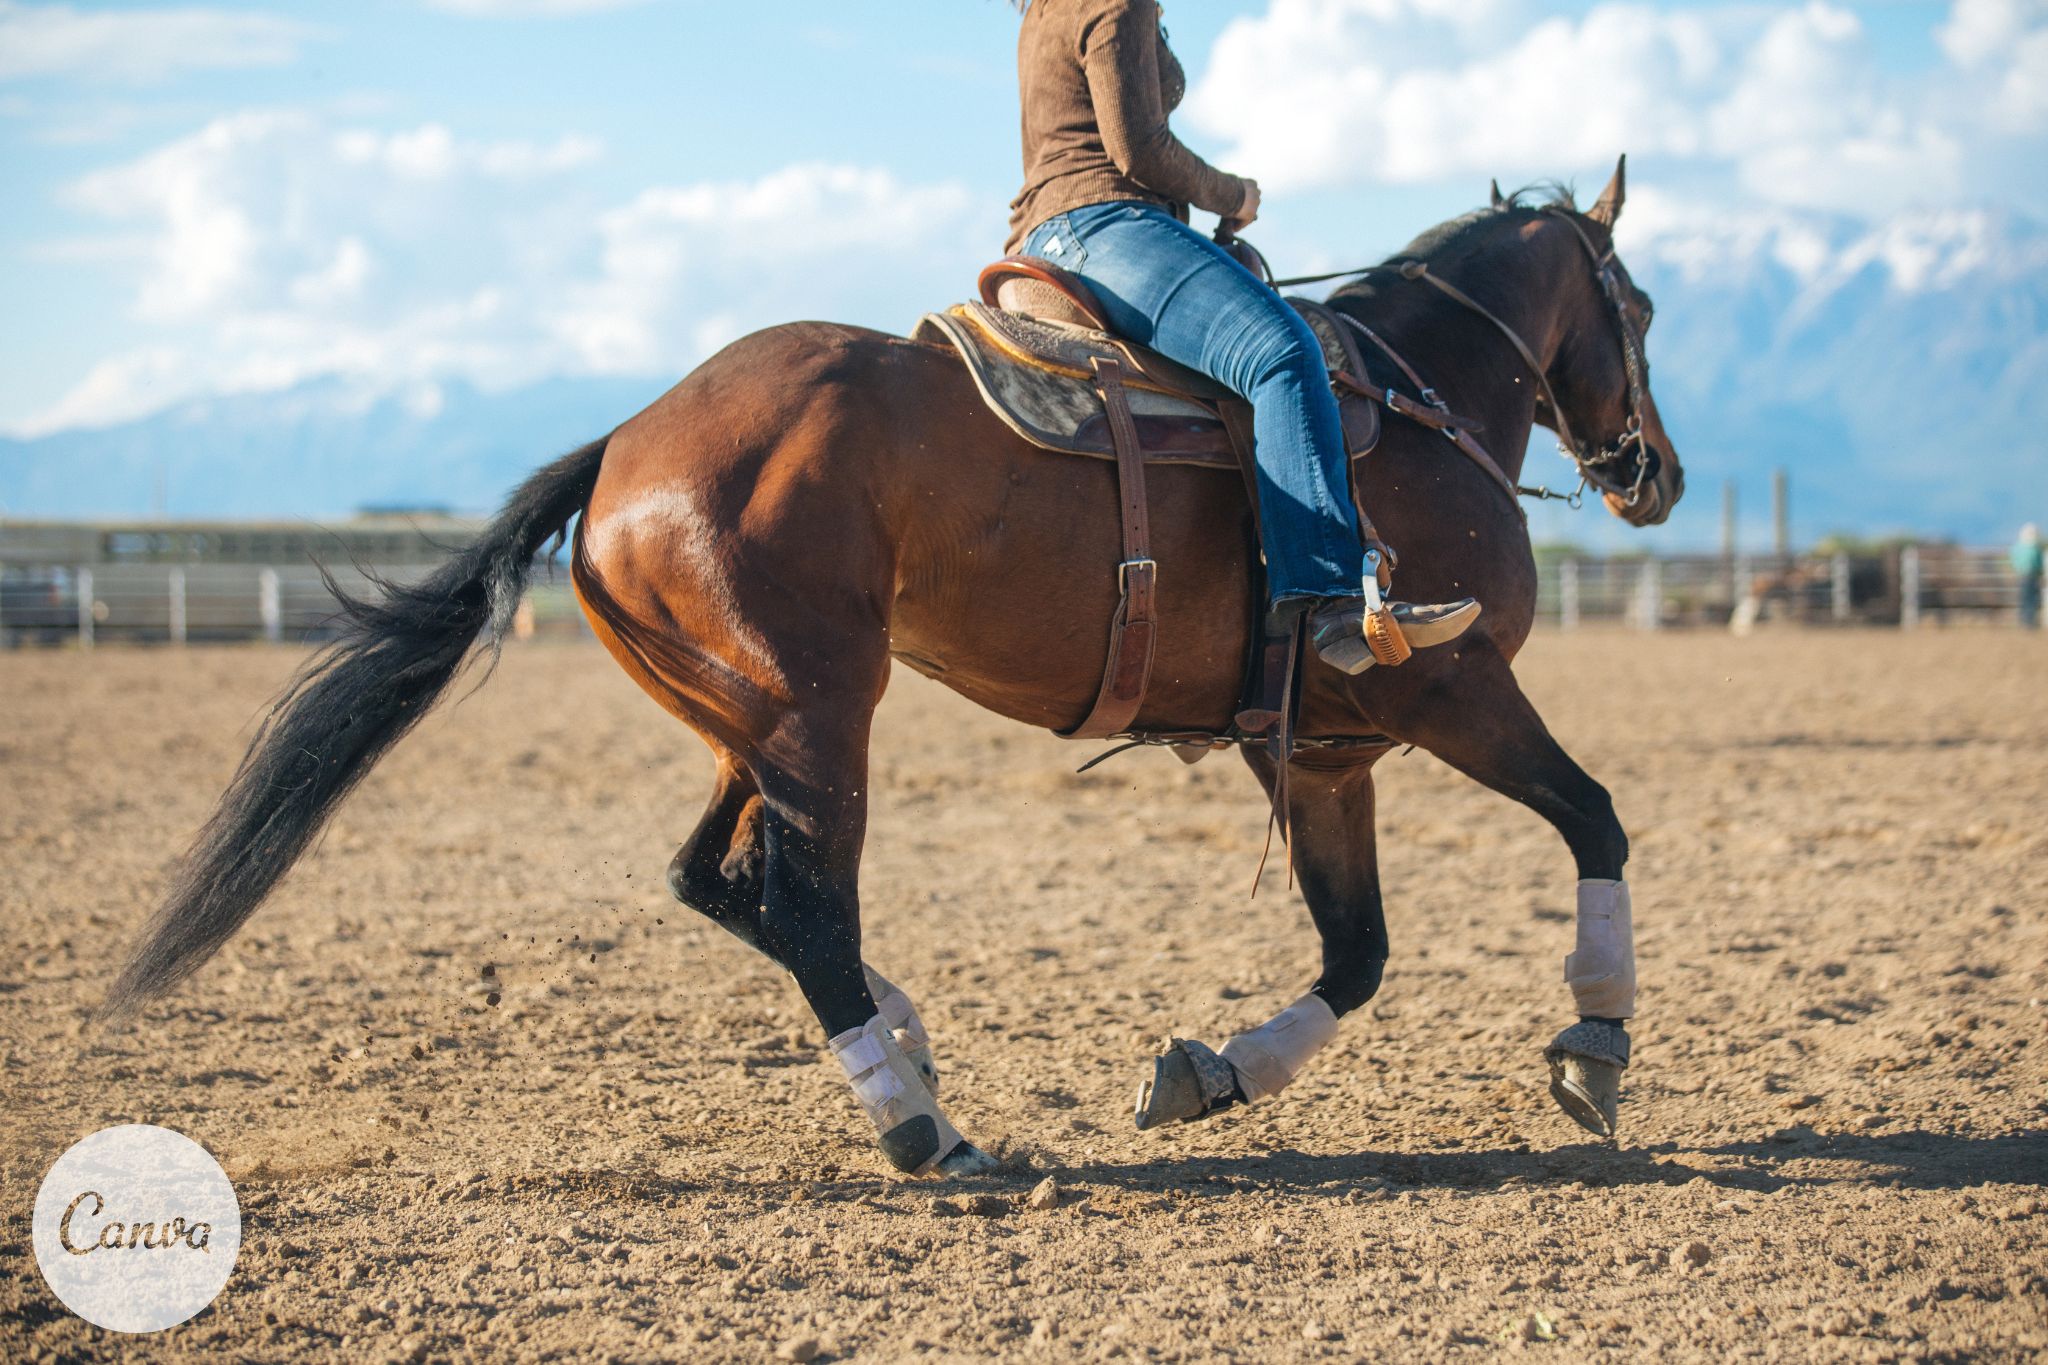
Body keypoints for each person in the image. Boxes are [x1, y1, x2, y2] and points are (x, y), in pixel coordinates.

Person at [1005, 0, 1478, 673]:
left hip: (1054, 233)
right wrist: (1233, 195)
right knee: (1281, 354)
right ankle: (1330, 594)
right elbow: (1138, 149)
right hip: (1106, 224)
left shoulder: (1045, 6)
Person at [2014, 524, 2044, 629]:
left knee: (2024, 598)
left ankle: (2024, 621)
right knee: (2032, 599)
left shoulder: (2018, 547)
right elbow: (2039, 563)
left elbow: (2014, 559)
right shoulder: (2035, 548)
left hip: (2022, 575)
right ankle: (2030, 622)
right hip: (2033, 575)